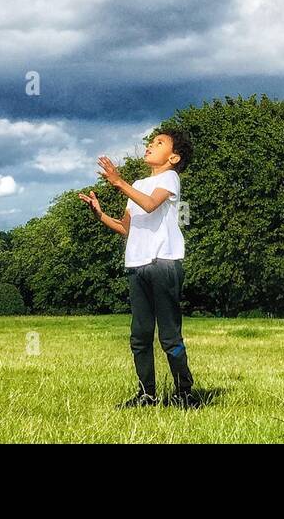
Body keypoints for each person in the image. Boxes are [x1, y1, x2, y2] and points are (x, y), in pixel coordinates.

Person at [80, 126, 199, 408]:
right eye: (150, 141)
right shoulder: (138, 183)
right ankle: (147, 395)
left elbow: (149, 206)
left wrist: (118, 182)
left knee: (169, 336)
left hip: (163, 264)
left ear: (173, 158)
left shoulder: (170, 178)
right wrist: (99, 214)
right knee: (140, 336)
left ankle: (185, 394)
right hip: (137, 265)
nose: (150, 145)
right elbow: (125, 229)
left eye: (159, 143)